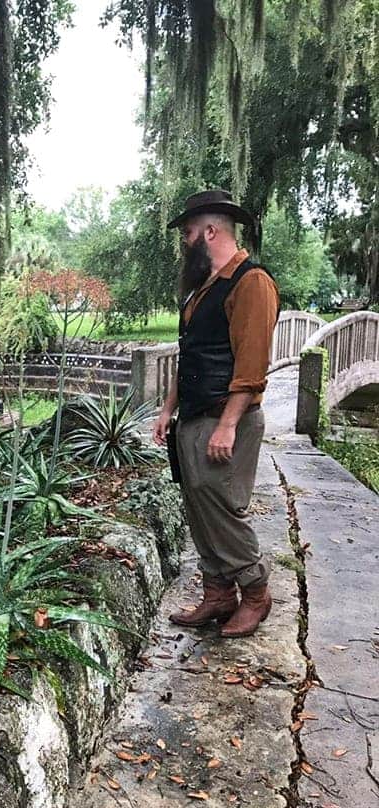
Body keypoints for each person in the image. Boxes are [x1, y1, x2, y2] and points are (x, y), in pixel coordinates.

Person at [152, 189, 280, 638]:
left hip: (228, 419)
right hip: (193, 417)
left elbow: (251, 365)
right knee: (198, 504)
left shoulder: (251, 282)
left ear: (210, 232)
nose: (185, 242)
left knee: (223, 507)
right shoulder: (200, 289)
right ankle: (218, 593)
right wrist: (168, 409)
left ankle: (256, 593)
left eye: (188, 233)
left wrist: (227, 425)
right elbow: (190, 354)